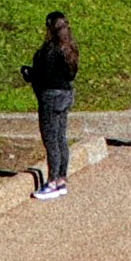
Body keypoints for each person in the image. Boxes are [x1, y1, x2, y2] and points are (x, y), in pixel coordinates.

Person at [23, 12, 83, 197]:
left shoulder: (50, 50)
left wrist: (29, 74)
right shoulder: (70, 48)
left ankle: (52, 182)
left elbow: (44, 76)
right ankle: (62, 179)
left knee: (51, 140)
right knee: (61, 137)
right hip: (66, 94)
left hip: (50, 97)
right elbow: (70, 74)